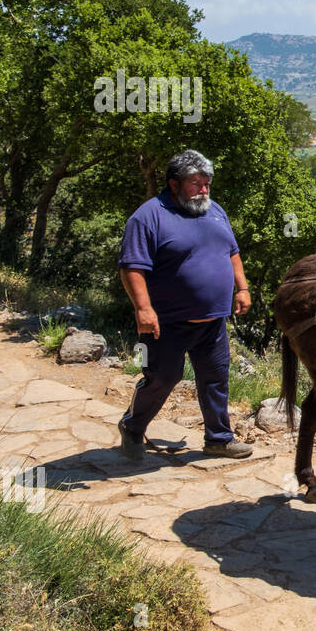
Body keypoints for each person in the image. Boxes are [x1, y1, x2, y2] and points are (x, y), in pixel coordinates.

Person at [116, 149, 253, 460]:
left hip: (213, 321)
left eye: (207, 182)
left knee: (216, 378)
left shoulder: (215, 211)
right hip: (166, 321)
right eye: (196, 183)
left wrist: (242, 288)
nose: (204, 189)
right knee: (162, 378)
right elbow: (132, 266)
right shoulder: (148, 216)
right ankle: (133, 427)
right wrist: (143, 309)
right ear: (174, 183)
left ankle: (219, 438)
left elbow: (231, 251)